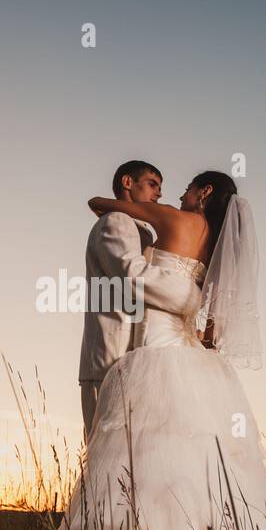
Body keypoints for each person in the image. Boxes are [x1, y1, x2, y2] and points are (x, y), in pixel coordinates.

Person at [56, 171, 266, 530]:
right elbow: (210, 329)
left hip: (156, 348)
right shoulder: (218, 243)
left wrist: (122, 205)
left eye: (186, 186)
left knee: (144, 461)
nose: (174, 193)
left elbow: (102, 203)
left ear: (203, 193)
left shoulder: (173, 219)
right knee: (191, 463)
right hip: (192, 355)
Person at [78, 160, 200, 439]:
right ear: (127, 183)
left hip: (131, 360)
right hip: (109, 360)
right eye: (152, 184)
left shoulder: (143, 231)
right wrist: (190, 296)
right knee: (105, 458)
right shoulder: (115, 221)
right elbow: (132, 276)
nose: (158, 193)